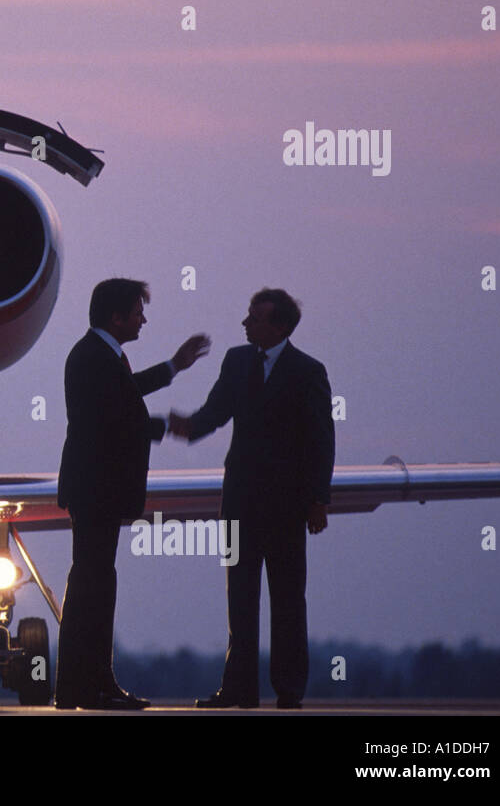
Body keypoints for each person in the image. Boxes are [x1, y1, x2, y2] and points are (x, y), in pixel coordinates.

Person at [169, 288, 334, 709]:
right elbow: (217, 410)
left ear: (279, 326)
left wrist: (318, 500)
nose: (245, 324)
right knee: (240, 598)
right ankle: (239, 688)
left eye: (254, 318)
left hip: (286, 506)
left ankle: (289, 689)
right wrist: (186, 427)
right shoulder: (237, 361)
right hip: (241, 501)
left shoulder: (307, 371)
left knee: (288, 600)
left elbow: (321, 440)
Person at [54, 278, 210, 710]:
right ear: (115, 317)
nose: (144, 319)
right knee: (92, 586)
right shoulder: (94, 358)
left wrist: (174, 366)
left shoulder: (101, 355)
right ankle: (86, 687)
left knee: (94, 584)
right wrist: (168, 427)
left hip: (96, 492)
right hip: (96, 491)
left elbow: (125, 394)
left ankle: (87, 685)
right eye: (138, 312)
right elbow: (116, 418)